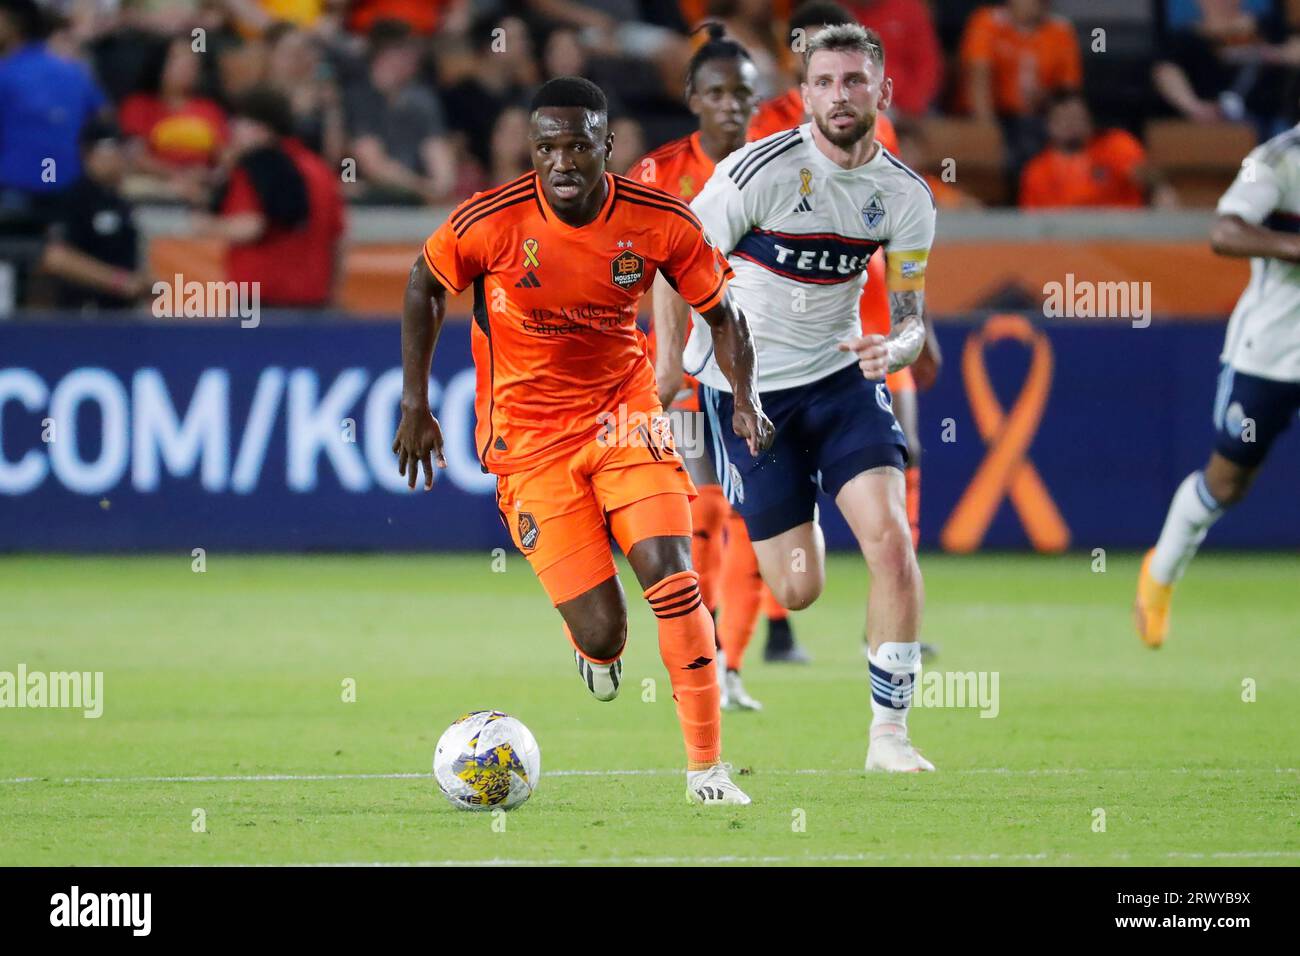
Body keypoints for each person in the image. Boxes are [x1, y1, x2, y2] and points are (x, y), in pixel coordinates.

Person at [392, 77, 775, 805]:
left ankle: (706, 769)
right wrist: (417, 402)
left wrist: (746, 399)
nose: (561, 161)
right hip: (529, 439)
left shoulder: (660, 219)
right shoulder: (491, 221)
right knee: (604, 631)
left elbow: (722, 315)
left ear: (607, 146)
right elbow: (423, 284)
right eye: (546, 148)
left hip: (623, 413)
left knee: (672, 573)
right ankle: (592, 648)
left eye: (576, 145)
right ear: (531, 151)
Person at [669, 24, 936, 771]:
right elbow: (676, 261)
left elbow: (914, 320)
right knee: (800, 587)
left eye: (854, 81)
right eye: (823, 82)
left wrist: (900, 347)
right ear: (805, 92)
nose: (839, 95)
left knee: (890, 539)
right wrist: (671, 367)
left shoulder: (906, 198)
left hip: (842, 380)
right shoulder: (759, 173)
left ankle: (890, 734)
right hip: (747, 392)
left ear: (882, 91)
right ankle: (805, 503)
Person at [636, 24, 768, 709]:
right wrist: (659, 360)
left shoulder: (779, 170)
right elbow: (630, 271)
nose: (730, 106)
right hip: (683, 365)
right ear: (692, 97)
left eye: (742, 93)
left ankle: (732, 664)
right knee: (705, 504)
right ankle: (708, 652)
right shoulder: (658, 177)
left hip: (762, 369)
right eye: (716, 93)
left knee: (757, 514)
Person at [1135, 122, 1300, 647]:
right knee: (1228, 482)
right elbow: (1224, 231)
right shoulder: (1275, 160)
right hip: (1271, 353)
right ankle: (1160, 573)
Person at [196, 86, 345, 307]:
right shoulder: (320, 169)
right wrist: (331, 293)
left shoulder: (252, 167)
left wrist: (205, 225)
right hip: (314, 300)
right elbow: (339, 239)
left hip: (261, 300)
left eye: (240, 123)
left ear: (262, 129)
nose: (233, 131)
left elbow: (251, 226)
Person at [40, 119, 151, 311]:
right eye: (113, 147)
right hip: (85, 314)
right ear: (89, 154)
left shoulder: (121, 202)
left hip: (122, 317)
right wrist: (117, 281)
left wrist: (144, 283)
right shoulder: (74, 198)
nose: (121, 156)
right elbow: (56, 258)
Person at [1020, 89, 1177, 209]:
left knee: (1165, 195)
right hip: (1064, 242)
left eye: (1077, 117)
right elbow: (1033, 223)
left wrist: (1157, 185)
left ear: (1089, 119)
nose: (1071, 125)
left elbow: (1149, 176)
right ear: (1048, 125)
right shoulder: (1036, 171)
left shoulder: (1115, 145)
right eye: (1062, 119)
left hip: (1121, 237)